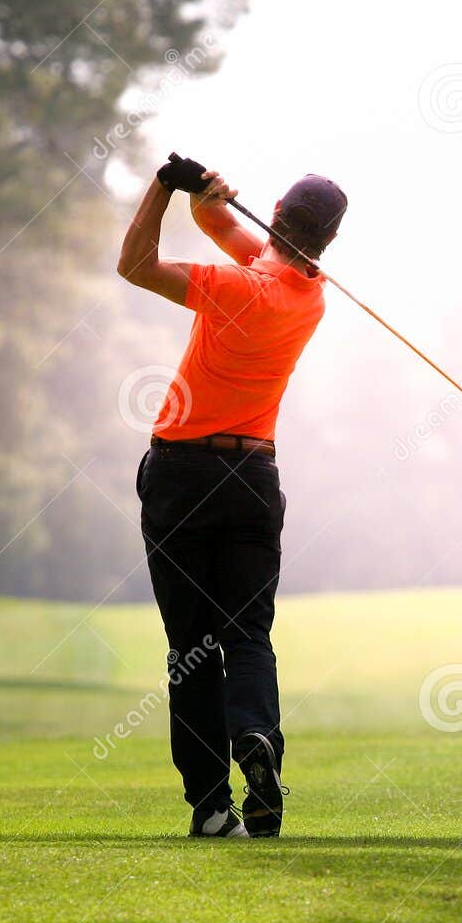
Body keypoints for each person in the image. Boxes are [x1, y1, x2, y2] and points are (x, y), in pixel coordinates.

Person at [116, 154, 347, 839]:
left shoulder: (229, 286)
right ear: (327, 241)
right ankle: (258, 737)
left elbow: (135, 265)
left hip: (182, 475)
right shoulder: (311, 292)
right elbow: (232, 232)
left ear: (275, 215)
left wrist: (163, 187)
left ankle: (213, 806)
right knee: (247, 634)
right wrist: (210, 200)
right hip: (252, 481)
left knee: (190, 648)